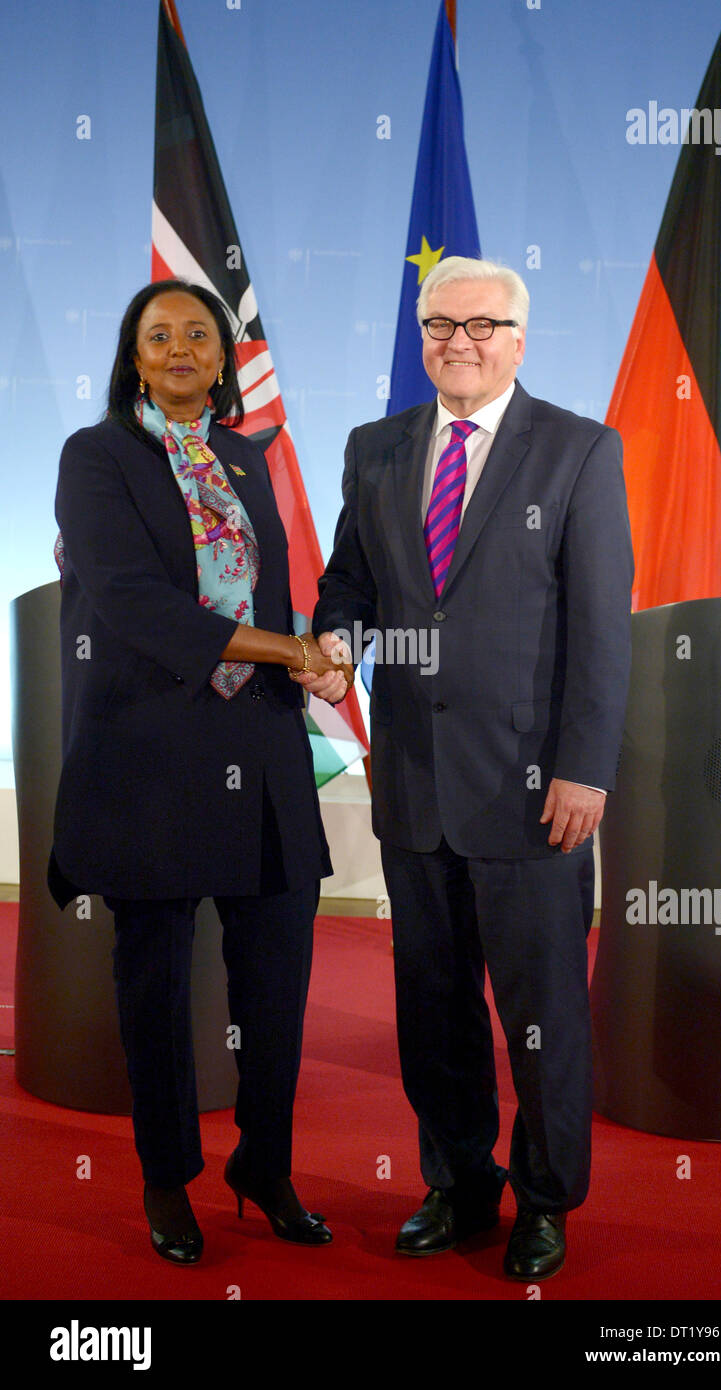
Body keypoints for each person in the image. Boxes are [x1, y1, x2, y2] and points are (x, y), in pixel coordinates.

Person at [301, 256, 633, 1280]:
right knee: (432, 1009)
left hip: (534, 794)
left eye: (480, 324)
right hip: (413, 784)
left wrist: (583, 767)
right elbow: (348, 580)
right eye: (439, 324)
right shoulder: (375, 448)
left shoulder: (578, 451)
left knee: (540, 1014)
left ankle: (545, 1198)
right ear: (421, 337)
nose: (458, 340)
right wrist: (337, 641)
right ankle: (455, 1182)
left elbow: (599, 628)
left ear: (517, 338)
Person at [48, 278, 352, 1265]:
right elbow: (133, 602)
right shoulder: (95, 457)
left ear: (223, 360)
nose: (178, 347)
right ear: (133, 358)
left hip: (260, 755)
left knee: (278, 982)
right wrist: (286, 647)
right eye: (157, 335)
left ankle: (264, 1164)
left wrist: (317, 650)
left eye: (197, 335)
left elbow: (271, 591)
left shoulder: (244, 457)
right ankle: (166, 1177)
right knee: (155, 986)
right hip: (150, 756)